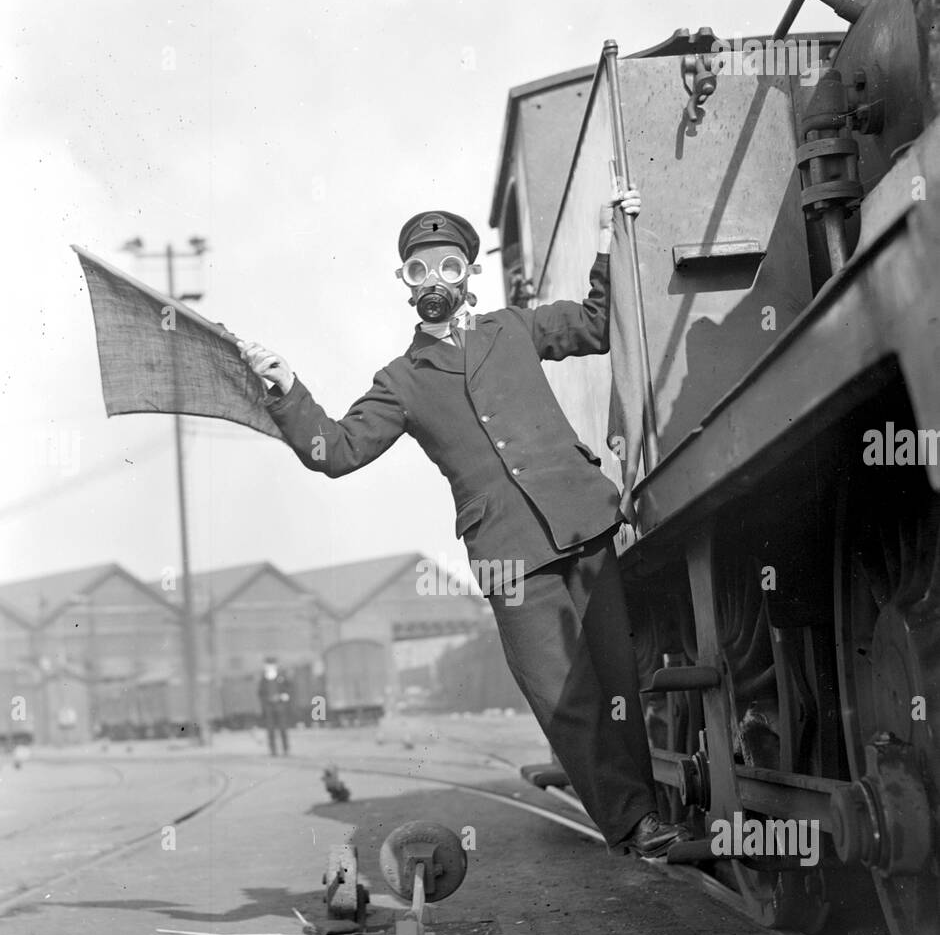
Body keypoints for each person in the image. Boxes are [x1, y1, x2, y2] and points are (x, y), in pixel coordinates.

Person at [237, 194, 686, 858]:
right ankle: (634, 824)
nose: (435, 281)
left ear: (468, 275)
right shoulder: (401, 381)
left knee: (616, 681)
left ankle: (648, 811)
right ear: (406, 287)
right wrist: (285, 388)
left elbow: (597, 325)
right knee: (564, 696)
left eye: (447, 266)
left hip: (582, 523)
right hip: (510, 557)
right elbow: (335, 450)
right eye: (419, 272)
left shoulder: (512, 329)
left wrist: (609, 239)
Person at [258, 657, 291, 756]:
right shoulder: (263, 680)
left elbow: (289, 689)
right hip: (269, 707)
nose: (270, 667)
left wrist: (284, 696)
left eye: (271, 665)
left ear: (275, 666)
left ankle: (285, 749)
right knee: (270, 729)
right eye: (268, 665)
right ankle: (273, 750)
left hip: (280, 705)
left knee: (283, 728)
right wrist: (265, 703)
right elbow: (260, 693)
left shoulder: (281, 678)